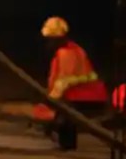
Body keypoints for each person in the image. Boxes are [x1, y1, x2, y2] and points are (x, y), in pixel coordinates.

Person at [34, 16, 108, 150]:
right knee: (62, 111)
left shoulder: (66, 54)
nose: (47, 44)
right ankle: (66, 141)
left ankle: (66, 142)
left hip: (82, 96)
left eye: (49, 40)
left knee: (61, 112)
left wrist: (48, 101)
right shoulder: (74, 49)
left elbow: (62, 83)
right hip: (88, 94)